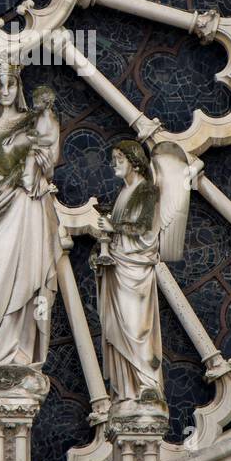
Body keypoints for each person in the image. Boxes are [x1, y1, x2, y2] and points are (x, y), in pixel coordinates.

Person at [0, 54, 60, 366]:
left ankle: (19, 353)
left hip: (27, 205)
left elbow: (48, 158)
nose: (5, 91)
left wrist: (42, 164)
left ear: (18, 87)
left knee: (28, 278)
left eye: (10, 84)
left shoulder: (33, 123)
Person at [93, 139, 166, 405]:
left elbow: (144, 228)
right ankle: (126, 388)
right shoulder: (124, 193)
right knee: (119, 325)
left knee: (137, 325)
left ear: (134, 163)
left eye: (119, 159)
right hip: (119, 268)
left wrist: (114, 227)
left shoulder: (147, 190)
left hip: (136, 269)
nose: (114, 165)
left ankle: (146, 383)